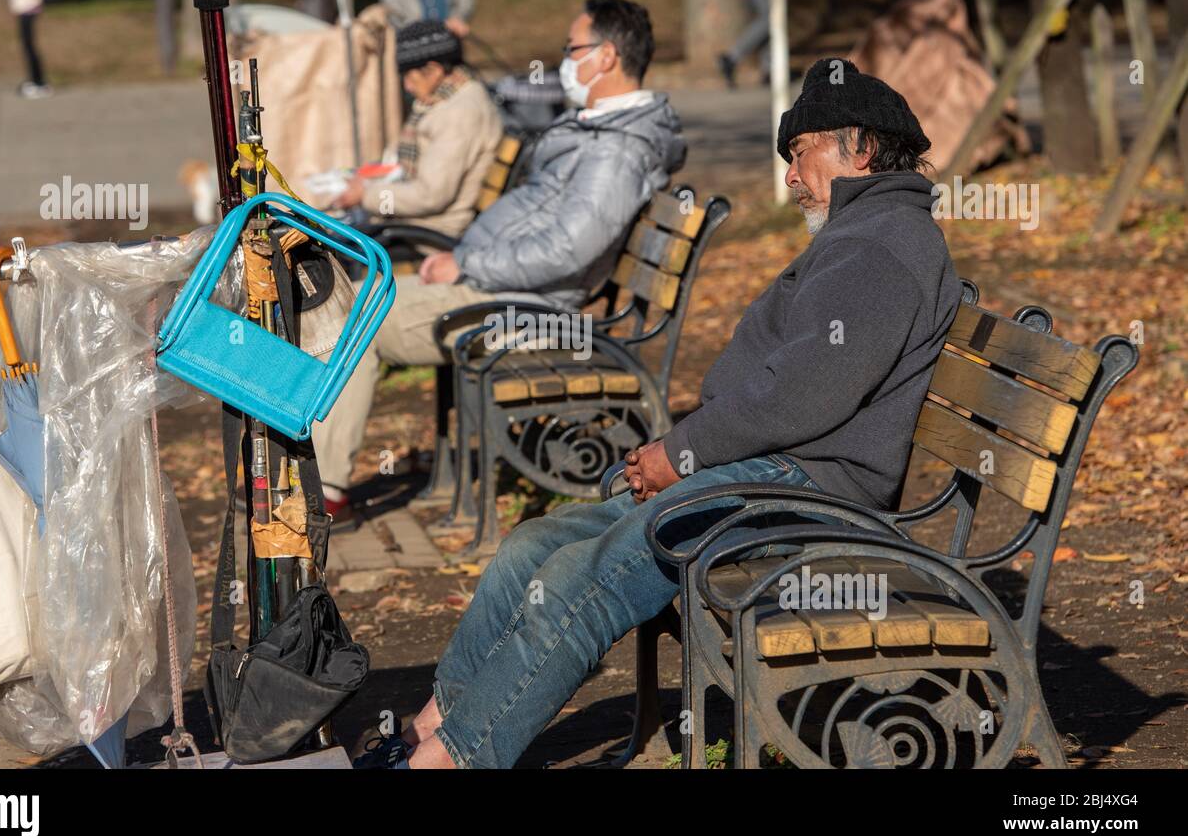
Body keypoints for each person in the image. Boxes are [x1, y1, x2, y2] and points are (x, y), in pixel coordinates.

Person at [355, 57, 962, 768]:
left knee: (586, 573)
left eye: (800, 154)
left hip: (806, 492)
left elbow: (804, 394)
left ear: (858, 148)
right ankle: (436, 724)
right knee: (533, 549)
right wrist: (688, 450)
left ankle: (453, 760)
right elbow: (791, 389)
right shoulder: (863, 232)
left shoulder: (879, 247)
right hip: (764, 468)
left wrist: (682, 453)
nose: (791, 177)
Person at [312, 0, 686, 524]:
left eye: (571, 48)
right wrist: (465, 259)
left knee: (357, 319)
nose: (563, 60)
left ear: (605, 57)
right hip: (504, 287)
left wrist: (468, 266)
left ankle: (323, 493)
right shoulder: (603, 132)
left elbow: (566, 249)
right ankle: (314, 475)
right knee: (346, 298)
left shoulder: (618, 150)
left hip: (526, 306)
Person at [329, 21, 502, 239]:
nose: (407, 87)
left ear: (434, 70)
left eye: (410, 77)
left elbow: (430, 196)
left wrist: (365, 195)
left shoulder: (458, 114)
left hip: (431, 231)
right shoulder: (445, 100)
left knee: (328, 242)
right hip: (420, 222)